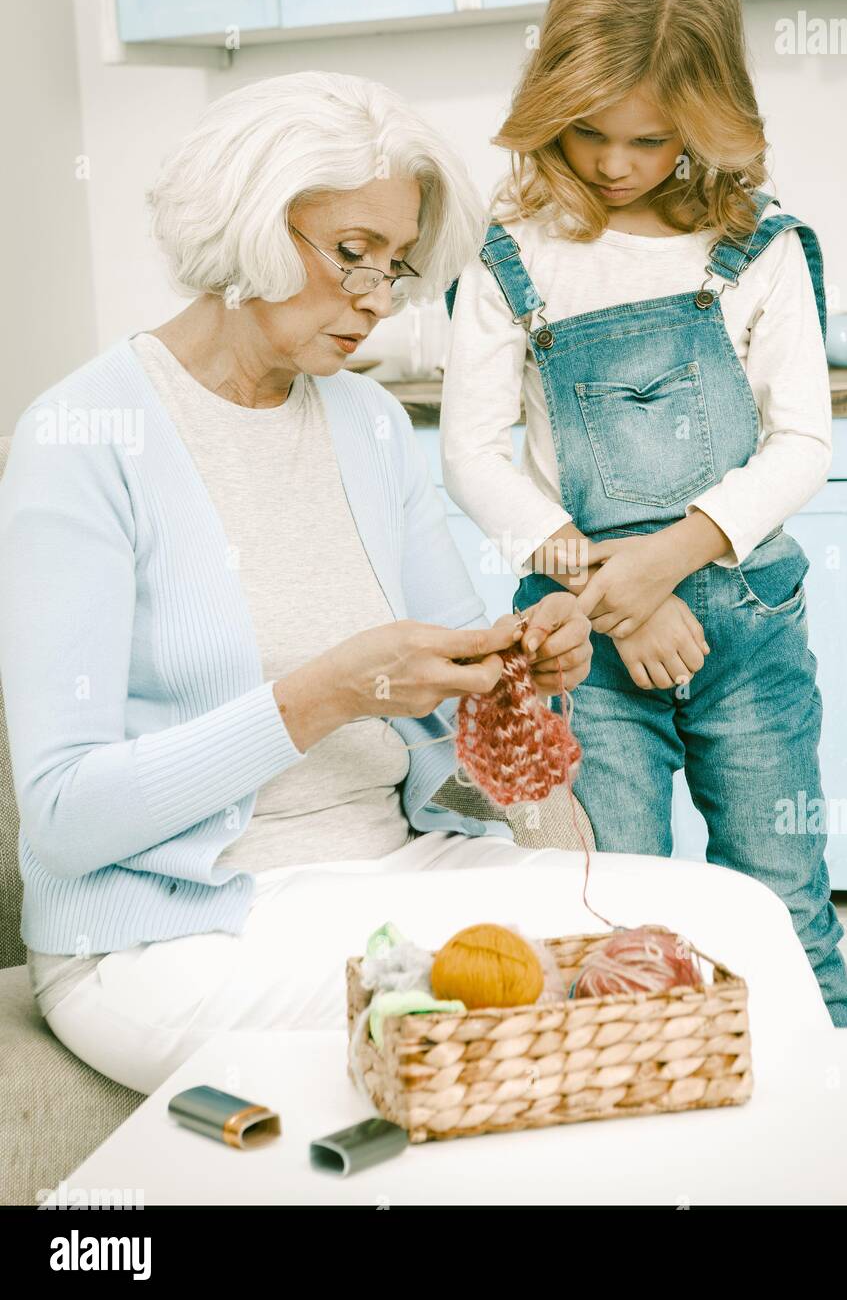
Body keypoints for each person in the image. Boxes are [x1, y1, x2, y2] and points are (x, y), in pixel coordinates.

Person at [0, 71, 594, 1094]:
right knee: (521, 1018)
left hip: (394, 876)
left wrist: (516, 660)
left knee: (732, 931)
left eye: (397, 265)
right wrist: (323, 695)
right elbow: (61, 813)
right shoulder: (81, 437)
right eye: (349, 254)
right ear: (248, 226)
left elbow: (452, 676)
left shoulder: (368, 426)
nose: (375, 297)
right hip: (171, 928)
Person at [439, 0, 847, 1027]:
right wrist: (604, 590)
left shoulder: (754, 248)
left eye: (650, 140)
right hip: (575, 635)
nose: (615, 164)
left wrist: (668, 558)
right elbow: (474, 454)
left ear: (705, 123)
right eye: (588, 133)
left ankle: (840, 1139)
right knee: (611, 917)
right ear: (548, 105)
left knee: (782, 905)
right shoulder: (507, 257)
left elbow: (801, 442)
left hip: (747, 628)